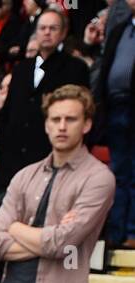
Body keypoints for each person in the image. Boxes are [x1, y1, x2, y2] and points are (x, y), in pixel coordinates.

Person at [0, 84, 115, 283]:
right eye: (55, 119)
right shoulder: (25, 175)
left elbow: (62, 243)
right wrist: (48, 237)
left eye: (71, 119)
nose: (62, 126)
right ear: (46, 125)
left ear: (87, 125)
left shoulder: (98, 178)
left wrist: (15, 227)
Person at [0, 7, 91, 193]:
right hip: (12, 161)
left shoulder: (75, 68)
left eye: (53, 28)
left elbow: (81, 111)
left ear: (63, 34)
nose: (47, 32)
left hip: (50, 156)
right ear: (35, 32)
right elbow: (8, 113)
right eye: (42, 28)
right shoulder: (21, 69)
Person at [91, 0, 135, 246]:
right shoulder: (120, 28)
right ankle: (116, 234)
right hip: (116, 107)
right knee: (118, 173)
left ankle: (132, 232)